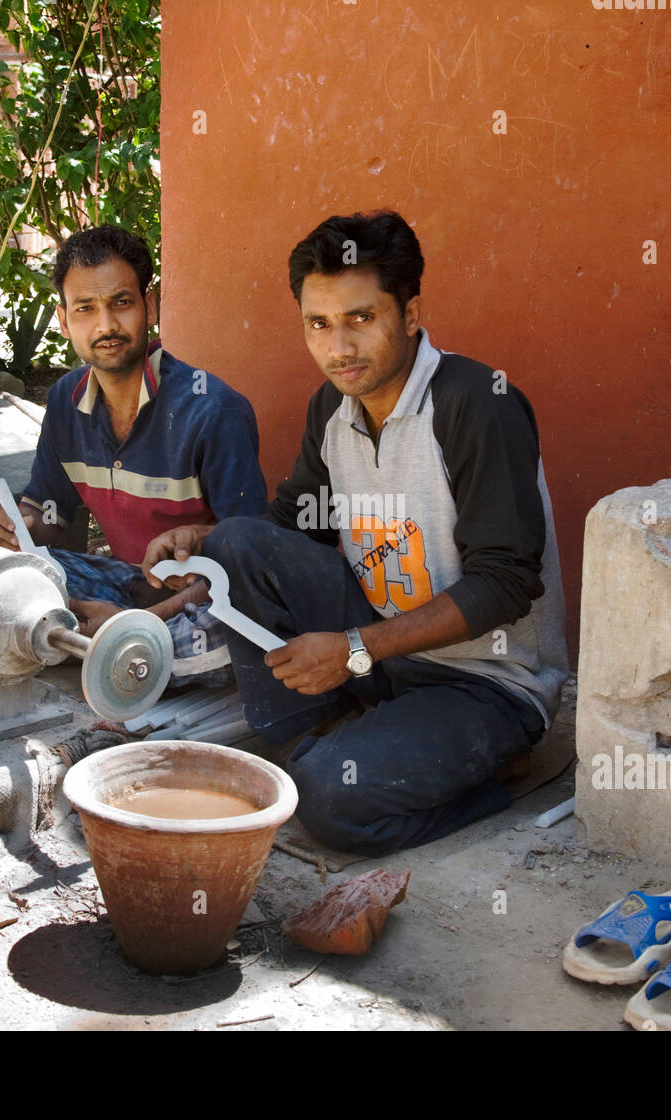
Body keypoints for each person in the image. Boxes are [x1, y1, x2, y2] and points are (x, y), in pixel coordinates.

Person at [143, 210, 569, 854]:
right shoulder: (333, 407)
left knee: (328, 801)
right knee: (235, 542)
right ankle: (317, 742)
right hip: (384, 656)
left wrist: (352, 648)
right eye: (319, 324)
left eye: (361, 319)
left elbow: (506, 584)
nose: (338, 348)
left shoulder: (478, 403)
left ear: (410, 312)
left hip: (487, 681)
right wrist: (198, 545)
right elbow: (291, 527)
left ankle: (492, 775)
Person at [0, 226, 268, 681]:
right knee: (8, 575)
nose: (106, 326)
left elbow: (253, 560)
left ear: (149, 306)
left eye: (121, 303)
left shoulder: (213, 410)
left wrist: (145, 621)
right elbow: (50, 513)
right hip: (124, 583)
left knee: (229, 631)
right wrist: (22, 527)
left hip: (201, 600)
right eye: (85, 309)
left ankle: (101, 641)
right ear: (63, 321)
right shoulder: (64, 400)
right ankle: (107, 641)